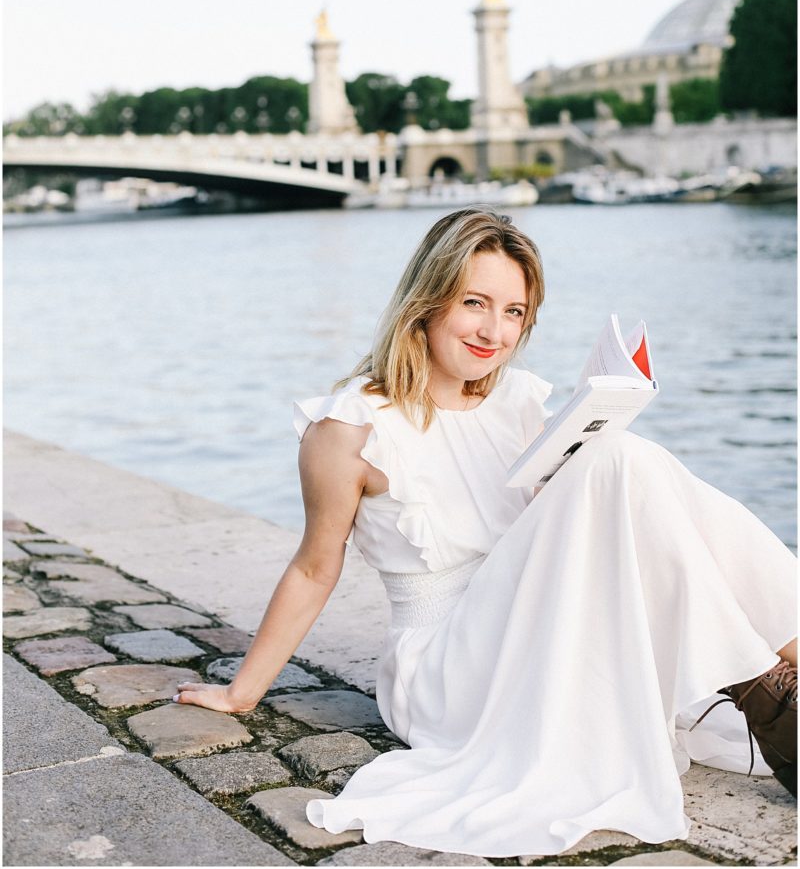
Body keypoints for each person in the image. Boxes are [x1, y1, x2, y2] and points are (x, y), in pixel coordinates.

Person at [174, 208, 797, 857]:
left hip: (532, 628)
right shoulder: (349, 429)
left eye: (514, 312)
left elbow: (563, 541)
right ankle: (769, 685)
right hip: (447, 668)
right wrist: (241, 692)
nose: (494, 331)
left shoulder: (520, 402)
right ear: (429, 298)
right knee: (621, 458)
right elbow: (313, 567)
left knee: (629, 463)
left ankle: (780, 676)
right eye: (475, 303)